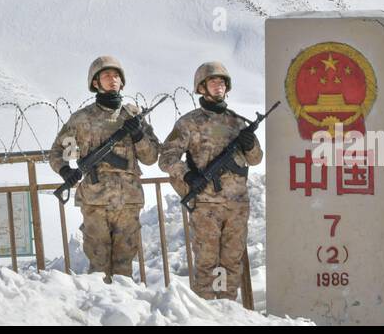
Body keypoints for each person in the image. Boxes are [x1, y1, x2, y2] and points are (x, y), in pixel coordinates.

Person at [48, 56, 159, 282]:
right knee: (98, 269)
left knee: (124, 267)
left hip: (128, 202)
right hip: (95, 202)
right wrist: (65, 171)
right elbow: (56, 152)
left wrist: (138, 135)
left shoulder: (134, 116)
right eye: (106, 75)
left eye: (116, 75)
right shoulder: (82, 119)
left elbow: (152, 157)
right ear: (95, 83)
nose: (113, 79)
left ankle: (126, 311)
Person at [159, 61, 261, 301]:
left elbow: (255, 159)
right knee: (207, 263)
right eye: (213, 81)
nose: (219, 85)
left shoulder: (238, 122)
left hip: (236, 205)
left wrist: (250, 144)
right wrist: (186, 174)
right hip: (206, 205)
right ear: (201, 87)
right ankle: (206, 313)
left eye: (222, 81)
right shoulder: (189, 122)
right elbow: (166, 157)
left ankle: (227, 310)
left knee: (231, 262)